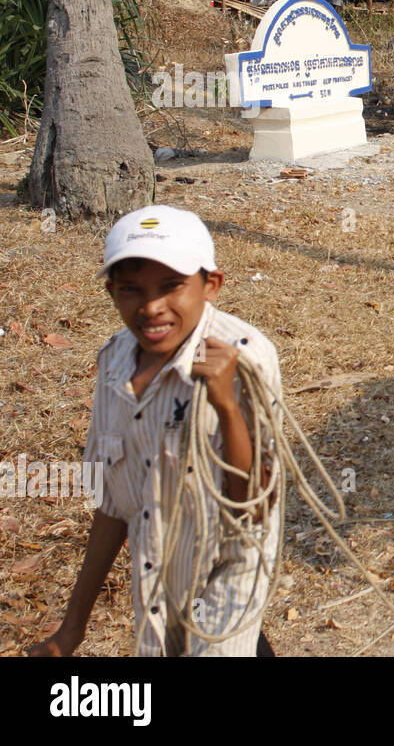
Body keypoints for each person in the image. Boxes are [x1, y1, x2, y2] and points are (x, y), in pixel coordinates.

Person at [28, 206, 284, 657]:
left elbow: (252, 505)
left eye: (172, 287)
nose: (151, 307)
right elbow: (114, 505)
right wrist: (70, 632)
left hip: (227, 570)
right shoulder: (114, 362)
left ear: (211, 286)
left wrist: (225, 403)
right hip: (160, 570)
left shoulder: (247, 357)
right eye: (132, 290)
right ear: (111, 292)